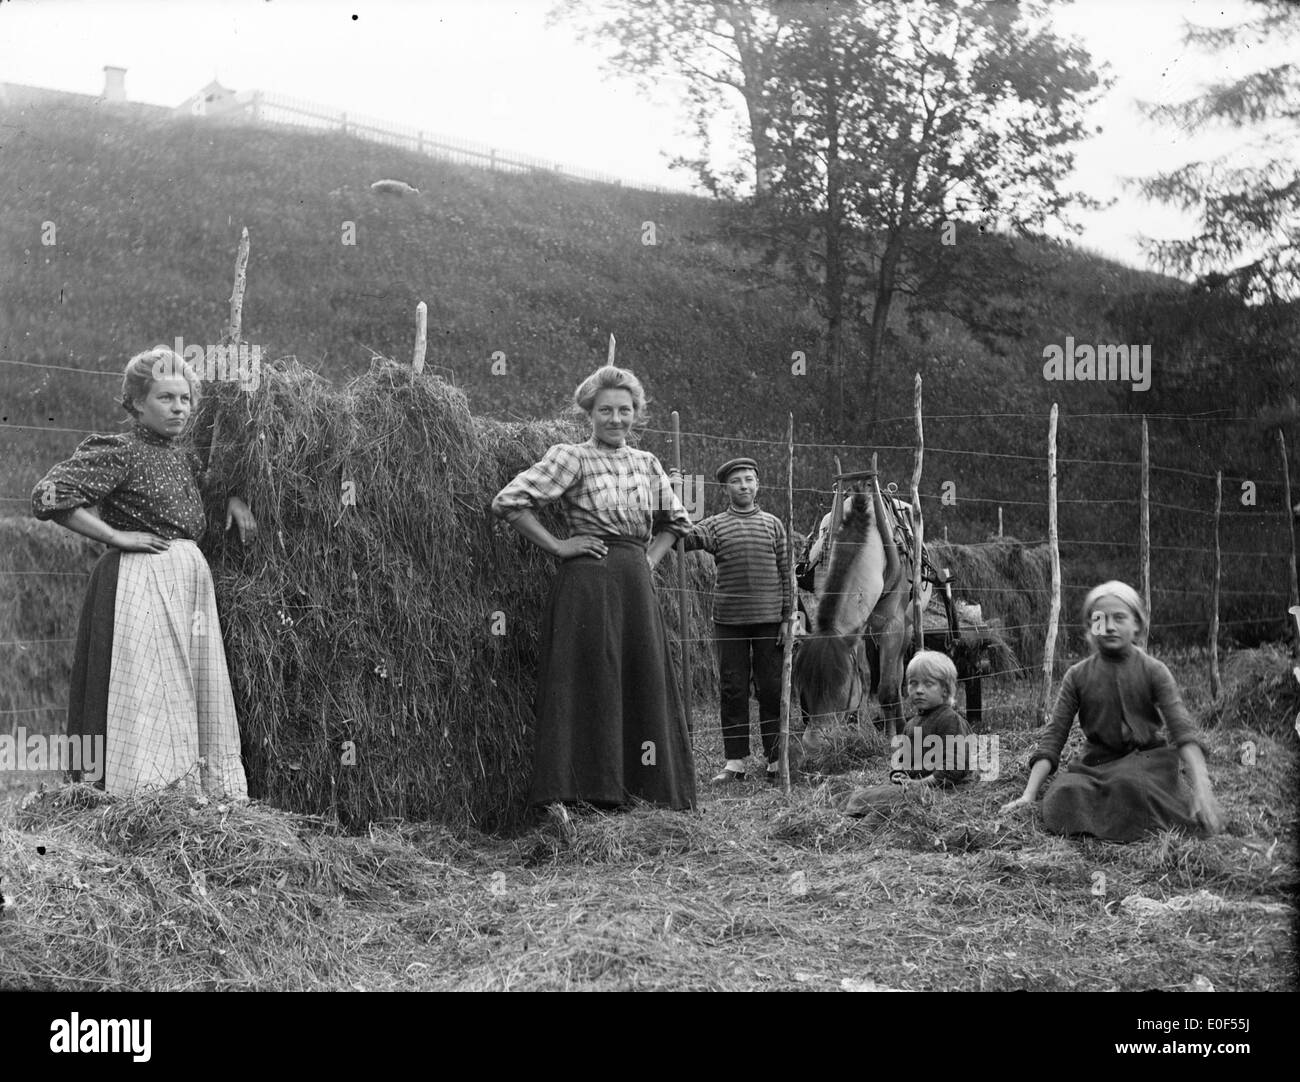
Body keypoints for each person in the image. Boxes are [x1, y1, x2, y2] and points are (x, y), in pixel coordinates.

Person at [31, 346, 255, 799]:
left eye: (185, 399)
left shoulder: (183, 458)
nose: (178, 409)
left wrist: (230, 500)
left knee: (190, 691)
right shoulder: (120, 452)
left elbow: (198, 503)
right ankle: (141, 797)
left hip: (188, 582)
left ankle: (191, 797)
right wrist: (115, 536)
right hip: (141, 581)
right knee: (146, 693)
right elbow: (48, 495)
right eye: (165, 398)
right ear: (135, 403)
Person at [492, 364, 696, 811]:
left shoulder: (647, 463)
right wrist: (560, 546)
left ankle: (646, 794)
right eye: (606, 410)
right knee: (590, 678)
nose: (616, 419)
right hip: (587, 581)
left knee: (640, 676)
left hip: (634, 583)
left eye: (625, 410)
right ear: (590, 412)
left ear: (637, 414)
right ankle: (587, 794)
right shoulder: (571, 457)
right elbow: (508, 502)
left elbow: (678, 522)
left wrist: (648, 559)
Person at [1000, 580, 1223, 842]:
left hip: (1149, 764)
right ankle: (1120, 819)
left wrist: (1202, 789)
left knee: (1133, 785)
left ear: (1137, 624)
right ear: (1089, 627)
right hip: (1096, 766)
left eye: (1119, 618)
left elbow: (1182, 731)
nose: (1108, 627)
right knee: (1064, 794)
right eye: (1099, 619)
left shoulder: (1154, 670)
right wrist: (1029, 794)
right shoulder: (1077, 676)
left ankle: (1126, 819)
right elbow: (1053, 738)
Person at [683, 457, 792, 785]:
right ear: (726, 488)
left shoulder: (774, 525)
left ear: (758, 484)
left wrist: (789, 619)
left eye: (749, 479)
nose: (744, 486)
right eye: (736, 481)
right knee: (733, 688)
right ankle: (736, 762)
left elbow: (787, 574)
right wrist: (676, 498)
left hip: (770, 621)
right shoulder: (715, 525)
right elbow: (684, 539)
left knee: (771, 688)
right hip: (729, 621)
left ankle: (776, 759)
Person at [842, 650, 975, 814]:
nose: (919, 690)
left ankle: (860, 815)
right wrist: (898, 775)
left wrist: (919, 784)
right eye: (913, 683)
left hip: (941, 790)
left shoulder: (950, 720)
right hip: (914, 787)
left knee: (873, 798)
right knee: (862, 794)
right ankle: (858, 811)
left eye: (928, 684)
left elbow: (955, 768)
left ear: (945, 690)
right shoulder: (910, 724)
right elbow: (902, 761)